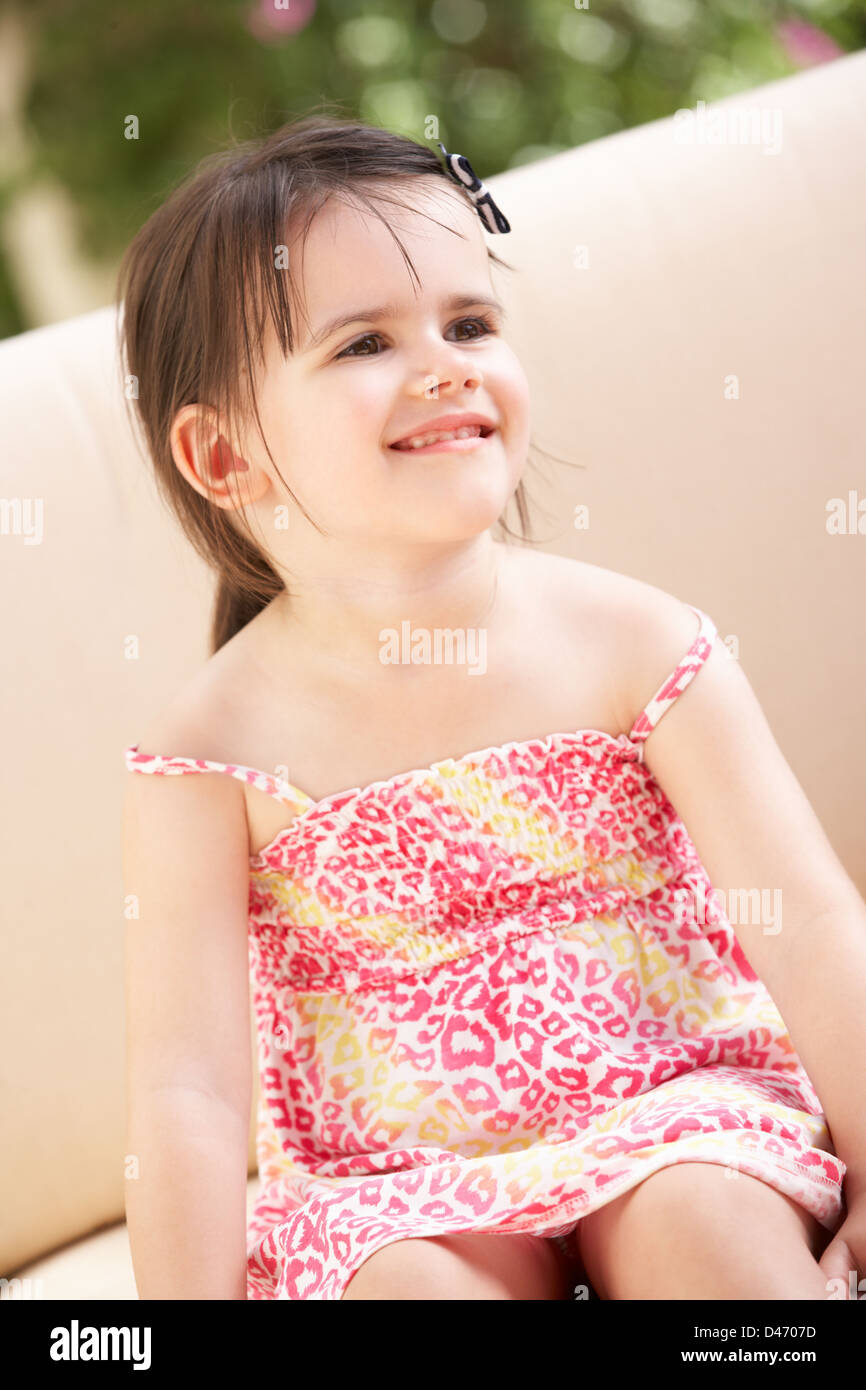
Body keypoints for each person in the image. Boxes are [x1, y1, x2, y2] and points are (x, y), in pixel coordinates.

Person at [118, 112, 865, 1301]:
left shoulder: (637, 644)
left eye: (468, 322)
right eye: (363, 341)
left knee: (709, 1244)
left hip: (671, 1112)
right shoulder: (207, 757)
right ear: (223, 458)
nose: (445, 361)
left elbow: (811, 922)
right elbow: (188, 1093)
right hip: (398, 1188)